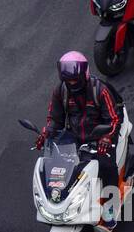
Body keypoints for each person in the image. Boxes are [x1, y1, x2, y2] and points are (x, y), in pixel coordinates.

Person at [41, 52, 124, 205]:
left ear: (83, 75)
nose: (71, 83)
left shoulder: (100, 90)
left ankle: (111, 206)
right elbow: (54, 118)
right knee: (57, 167)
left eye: (74, 79)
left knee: (107, 167)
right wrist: (47, 132)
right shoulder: (61, 91)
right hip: (74, 137)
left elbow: (113, 119)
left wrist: (106, 137)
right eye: (68, 80)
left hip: (100, 139)